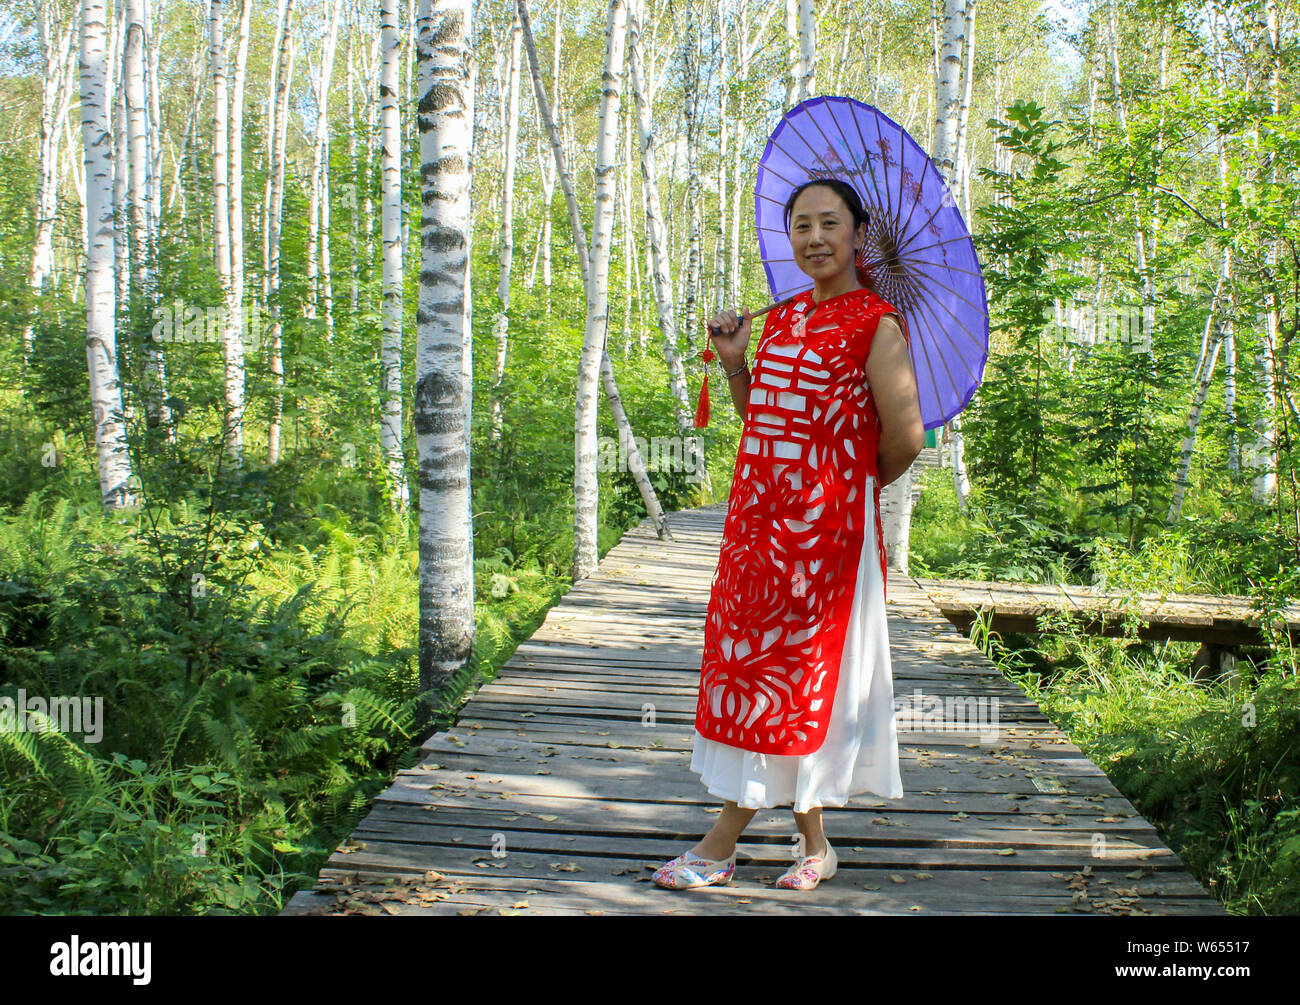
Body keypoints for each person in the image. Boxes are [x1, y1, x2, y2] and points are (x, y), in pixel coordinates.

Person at [653, 178, 924, 892]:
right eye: (801, 225)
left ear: (858, 234)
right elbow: (763, 419)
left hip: (826, 540)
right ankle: (816, 844)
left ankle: (719, 842)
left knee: (795, 677)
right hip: (757, 533)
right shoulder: (779, 319)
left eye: (830, 223)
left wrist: (842, 488)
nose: (815, 238)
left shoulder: (877, 325)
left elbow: (905, 437)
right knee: (755, 669)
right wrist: (736, 361)